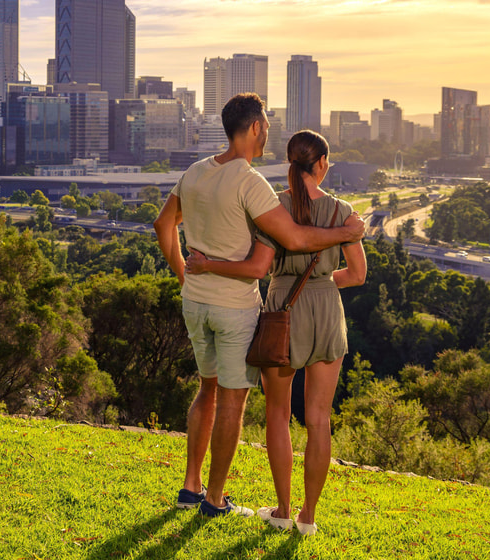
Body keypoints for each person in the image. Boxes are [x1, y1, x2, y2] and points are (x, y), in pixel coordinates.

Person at [153, 95, 365, 518]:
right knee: (255, 405)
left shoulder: (196, 171)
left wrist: (186, 275)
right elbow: (300, 241)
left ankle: (198, 487)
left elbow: (163, 224)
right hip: (247, 307)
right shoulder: (254, 184)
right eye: (265, 124)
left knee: (218, 393)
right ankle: (228, 502)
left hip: (210, 303)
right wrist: (344, 235)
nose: (267, 131)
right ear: (254, 128)